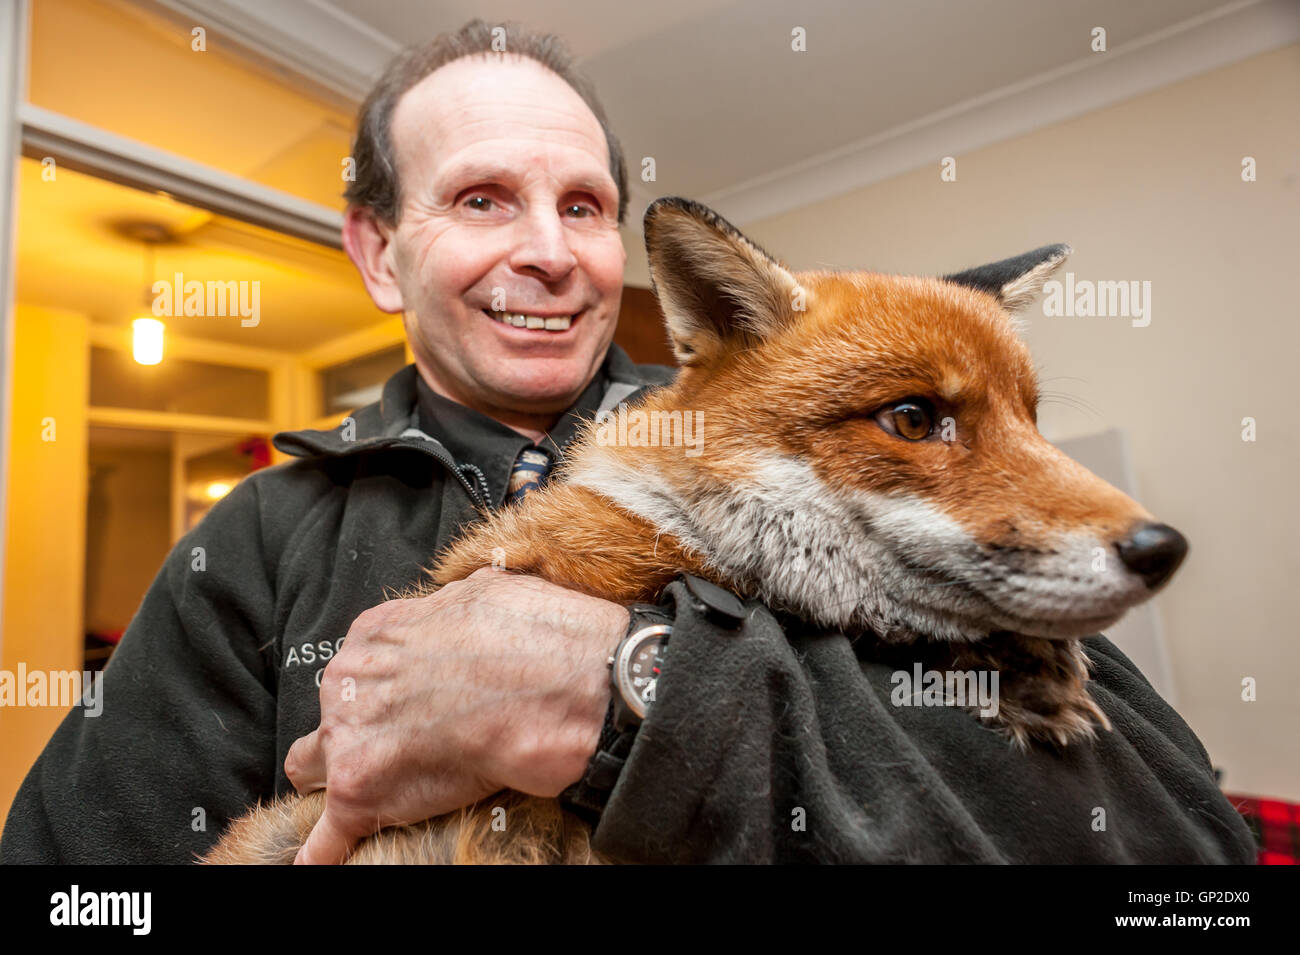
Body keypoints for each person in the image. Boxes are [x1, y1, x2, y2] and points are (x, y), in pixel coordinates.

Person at [0, 20, 1255, 865]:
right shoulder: (260, 537)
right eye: (481, 197)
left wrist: (637, 690)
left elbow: (1185, 852)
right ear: (381, 250)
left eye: (586, 204)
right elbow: (72, 879)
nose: (548, 249)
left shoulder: (817, 473)